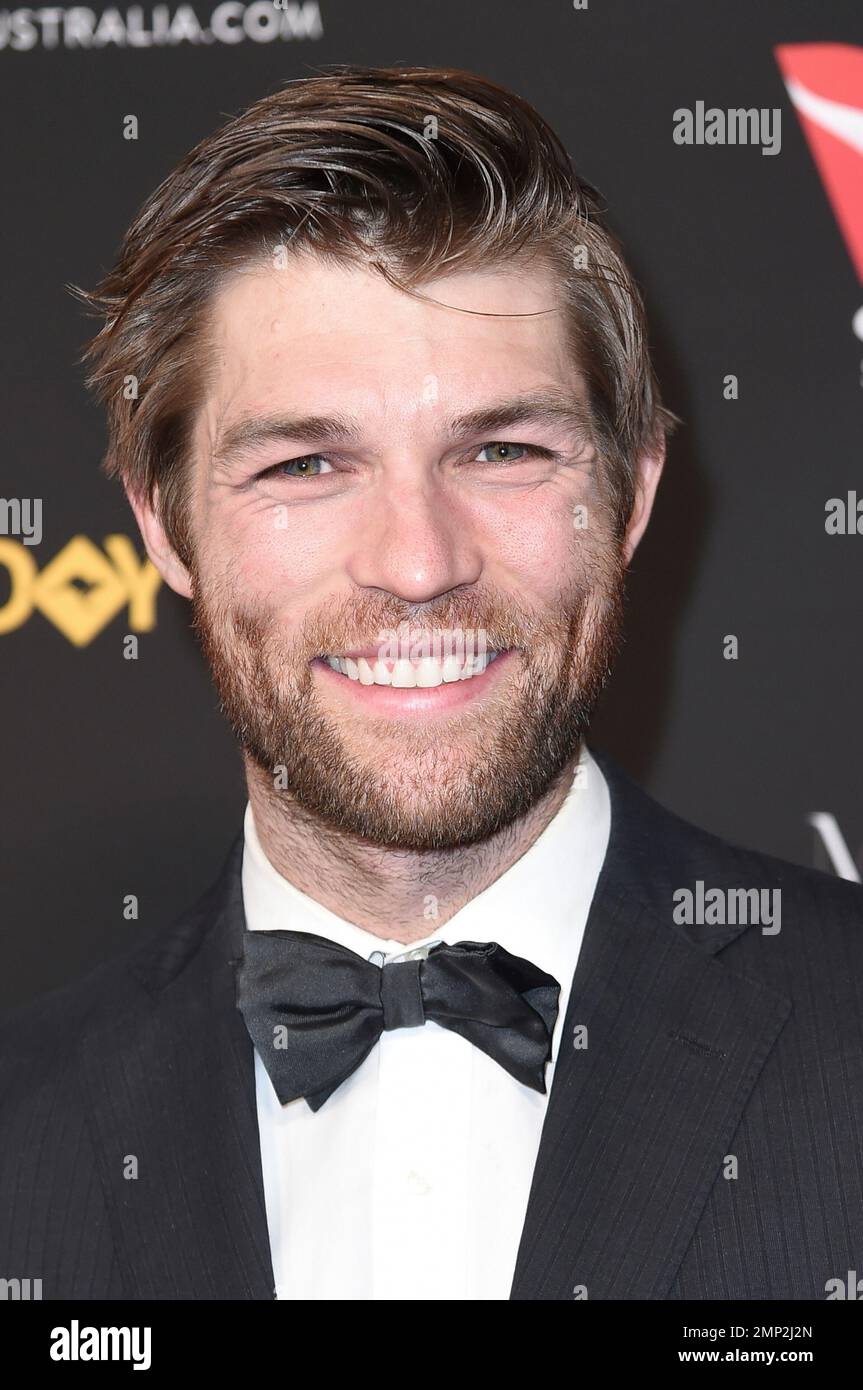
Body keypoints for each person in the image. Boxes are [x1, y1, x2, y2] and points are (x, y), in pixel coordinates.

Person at [2, 64, 861, 1302]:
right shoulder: (23, 1139)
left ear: (631, 494)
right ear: (166, 525)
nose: (417, 562)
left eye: (502, 450)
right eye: (304, 464)